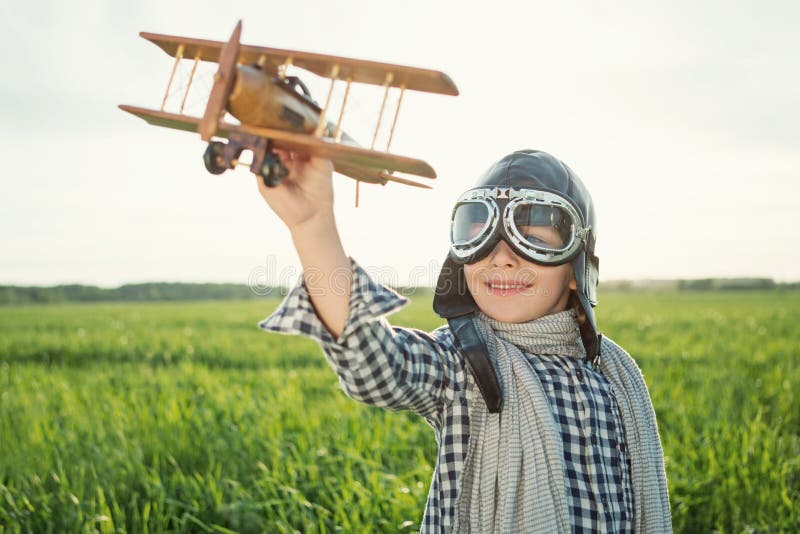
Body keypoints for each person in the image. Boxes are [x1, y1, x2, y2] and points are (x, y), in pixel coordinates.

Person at [257, 149, 672, 533]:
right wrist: (312, 225)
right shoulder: (464, 365)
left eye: (536, 239)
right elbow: (375, 364)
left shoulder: (610, 374)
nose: (502, 258)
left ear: (577, 267)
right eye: (482, 235)